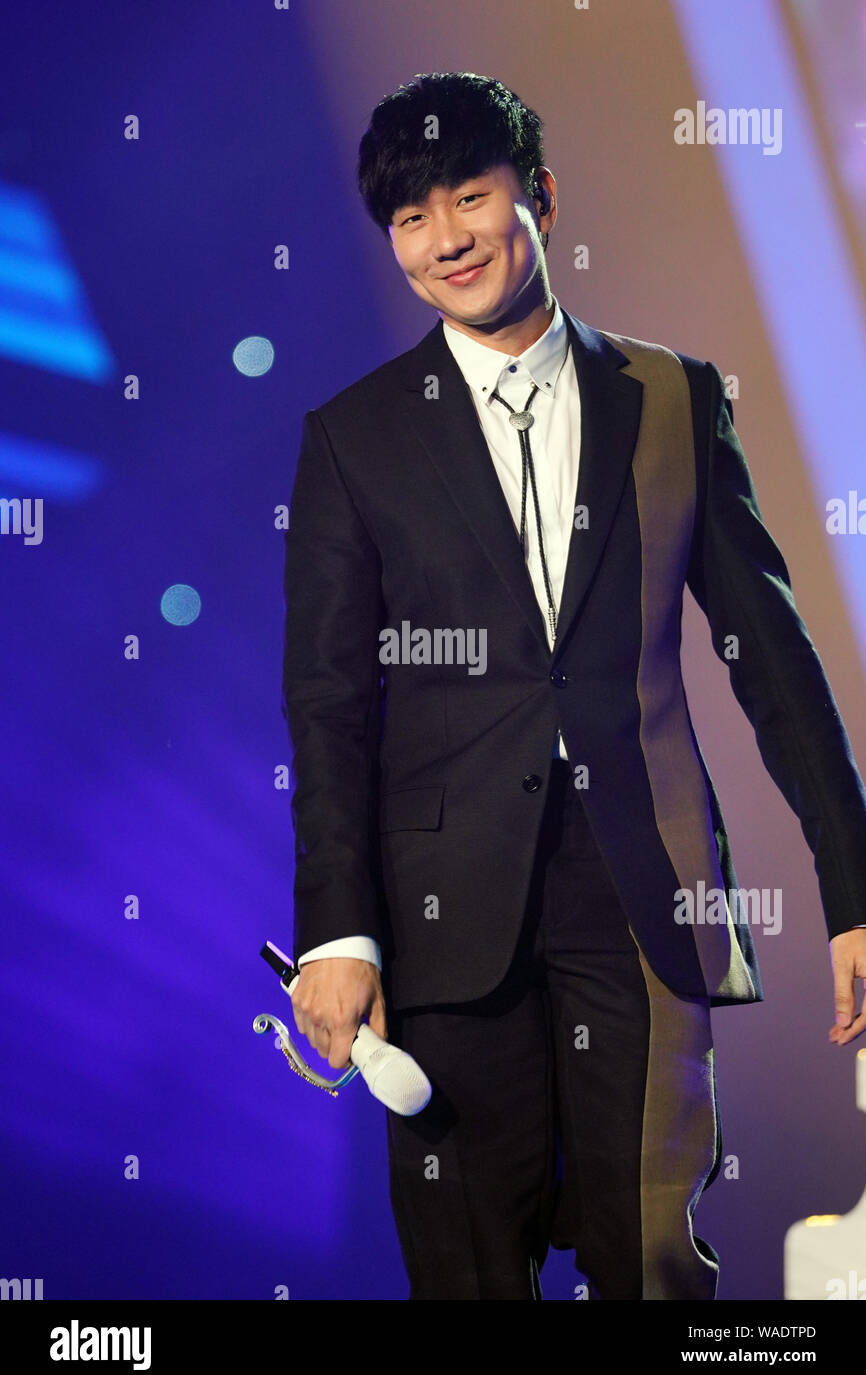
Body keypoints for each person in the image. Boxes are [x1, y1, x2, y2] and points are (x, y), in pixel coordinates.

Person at [280, 71, 866, 1299]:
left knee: (652, 1258)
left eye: (471, 197)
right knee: (466, 1270)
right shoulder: (356, 436)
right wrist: (338, 928)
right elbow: (327, 701)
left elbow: (767, 652)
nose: (445, 238)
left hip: (641, 896)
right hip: (440, 925)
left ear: (536, 196)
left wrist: (850, 884)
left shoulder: (668, 399)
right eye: (409, 219)